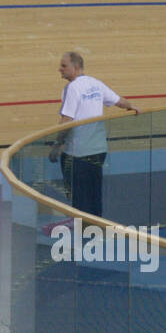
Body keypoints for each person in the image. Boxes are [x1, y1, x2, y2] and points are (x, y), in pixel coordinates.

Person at [47, 52, 139, 216]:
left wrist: (56, 145)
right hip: (98, 150)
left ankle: (82, 232)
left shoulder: (72, 88)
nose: (59, 69)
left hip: (77, 153)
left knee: (78, 197)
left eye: (63, 65)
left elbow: (67, 120)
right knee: (94, 193)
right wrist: (131, 107)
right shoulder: (96, 83)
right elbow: (120, 101)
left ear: (75, 67)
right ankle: (95, 229)